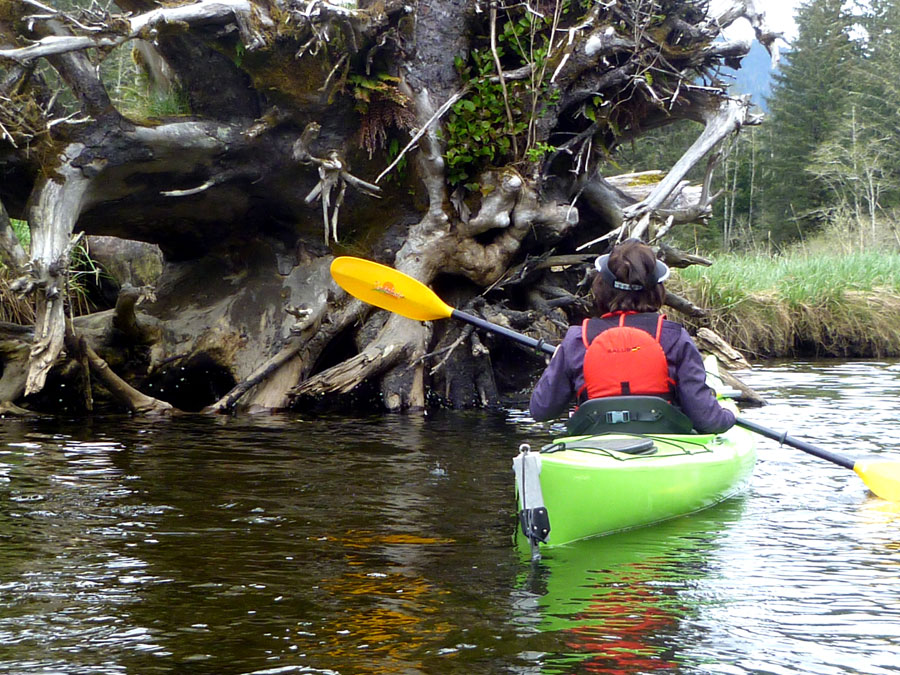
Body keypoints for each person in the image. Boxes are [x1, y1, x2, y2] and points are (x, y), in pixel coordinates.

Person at [529, 239, 735, 434]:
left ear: (601, 287)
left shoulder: (576, 339)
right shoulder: (675, 338)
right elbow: (707, 420)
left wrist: (556, 361)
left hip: (594, 445)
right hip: (666, 444)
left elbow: (541, 410)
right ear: (657, 290)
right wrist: (729, 415)